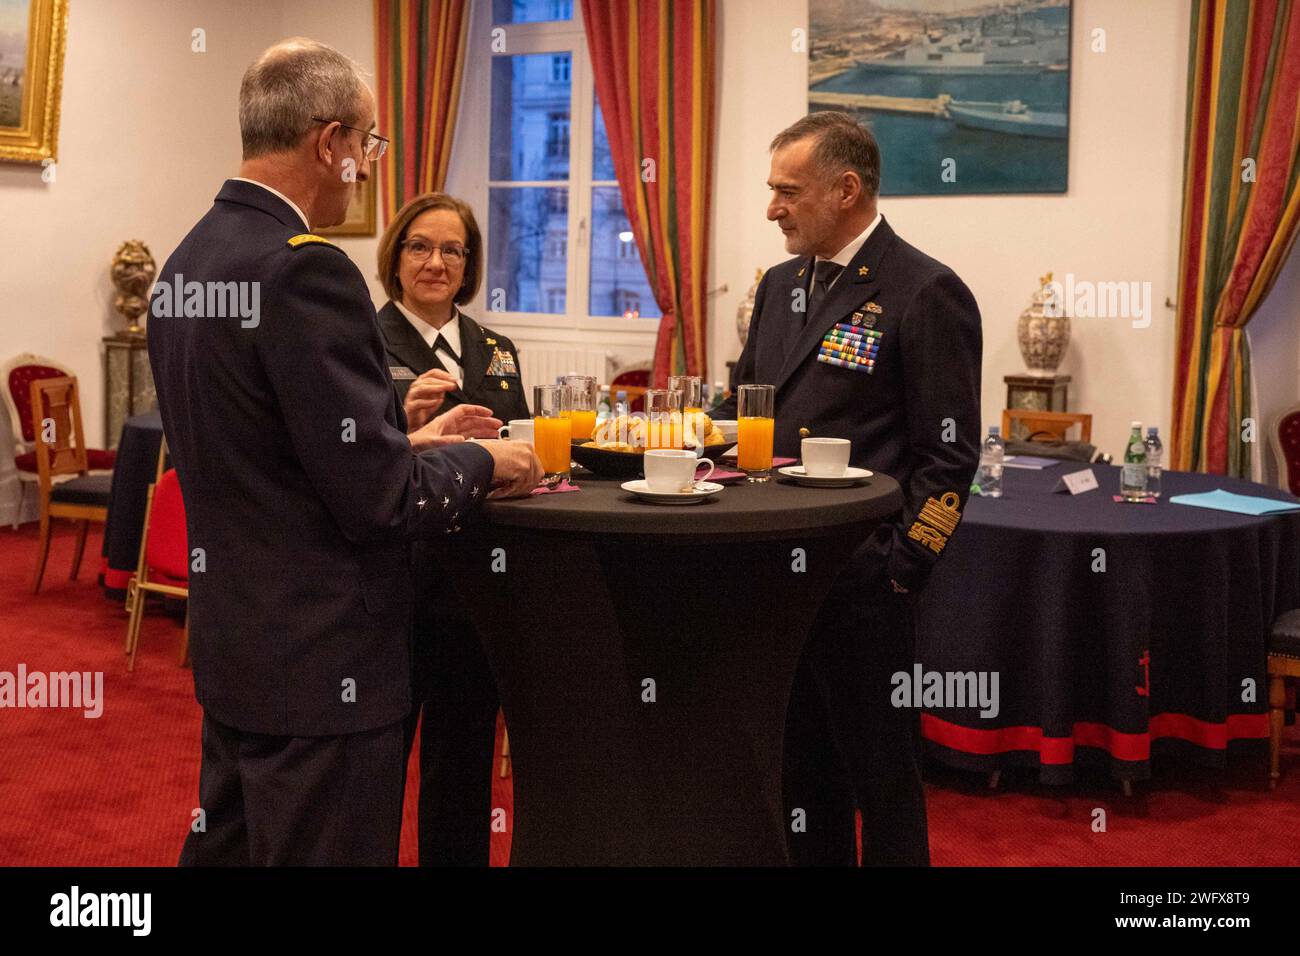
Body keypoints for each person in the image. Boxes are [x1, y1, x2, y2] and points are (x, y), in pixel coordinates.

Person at [147, 38, 541, 866]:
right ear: (330, 144)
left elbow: (267, 446)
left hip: (242, 642)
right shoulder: (306, 272)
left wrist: (402, 436)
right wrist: (487, 463)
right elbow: (381, 501)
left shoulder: (190, 258)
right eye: (367, 142)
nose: (367, 163)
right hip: (325, 659)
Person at [714, 111, 982, 865]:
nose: (771, 208)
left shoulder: (925, 291)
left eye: (786, 191)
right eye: (771, 190)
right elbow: (743, 410)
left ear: (846, 189)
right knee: (801, 774)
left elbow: (950, 459)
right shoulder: (776, 285)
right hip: (774, 574)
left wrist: (905, 568)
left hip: (864, 583)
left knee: (883, 781)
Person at [375, 193, 526, 865]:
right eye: (420, 247)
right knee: (378, 762)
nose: (436, 262)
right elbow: (355, 459)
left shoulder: (496, 349)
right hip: (396, 582)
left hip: (478, 584)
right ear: (396, 257)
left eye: (453, 250)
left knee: (461, 760)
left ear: (469, 266)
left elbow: (516, 444)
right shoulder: (359, 339)